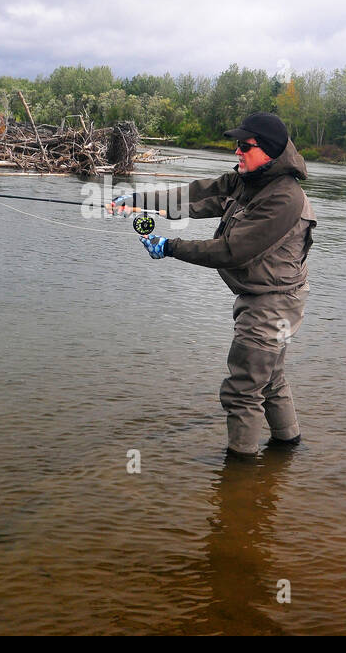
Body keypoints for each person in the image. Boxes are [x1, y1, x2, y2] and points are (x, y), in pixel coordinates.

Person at [110, 113, 316, 458]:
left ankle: (239, 475)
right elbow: (197, 194)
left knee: (243, 390)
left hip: (273, 303)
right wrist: (140, 199)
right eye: (237, 144)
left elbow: (231, 251)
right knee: (270, 379)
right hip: (268, 295)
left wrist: (170, 247)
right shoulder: (247, 179)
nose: (236, 151)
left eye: (244, 146)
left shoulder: (285, 198)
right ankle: (288, 450)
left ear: (268, 151)